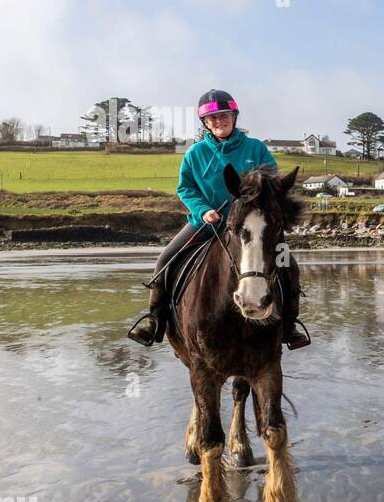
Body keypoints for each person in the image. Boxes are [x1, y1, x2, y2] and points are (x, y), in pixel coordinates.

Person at [127, 89, 309, 349]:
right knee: (164, 260)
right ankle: (154, 323)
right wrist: (202, 210)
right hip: (207, 223)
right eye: (211, 119)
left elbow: (272, 183)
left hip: (251, 227)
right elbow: (185, 188)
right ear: (205, 123)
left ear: (234, 116)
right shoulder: (195, 154)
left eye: (223, 115)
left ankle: (290, 327)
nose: (218, 121)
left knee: (289, 265)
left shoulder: (255, 148)